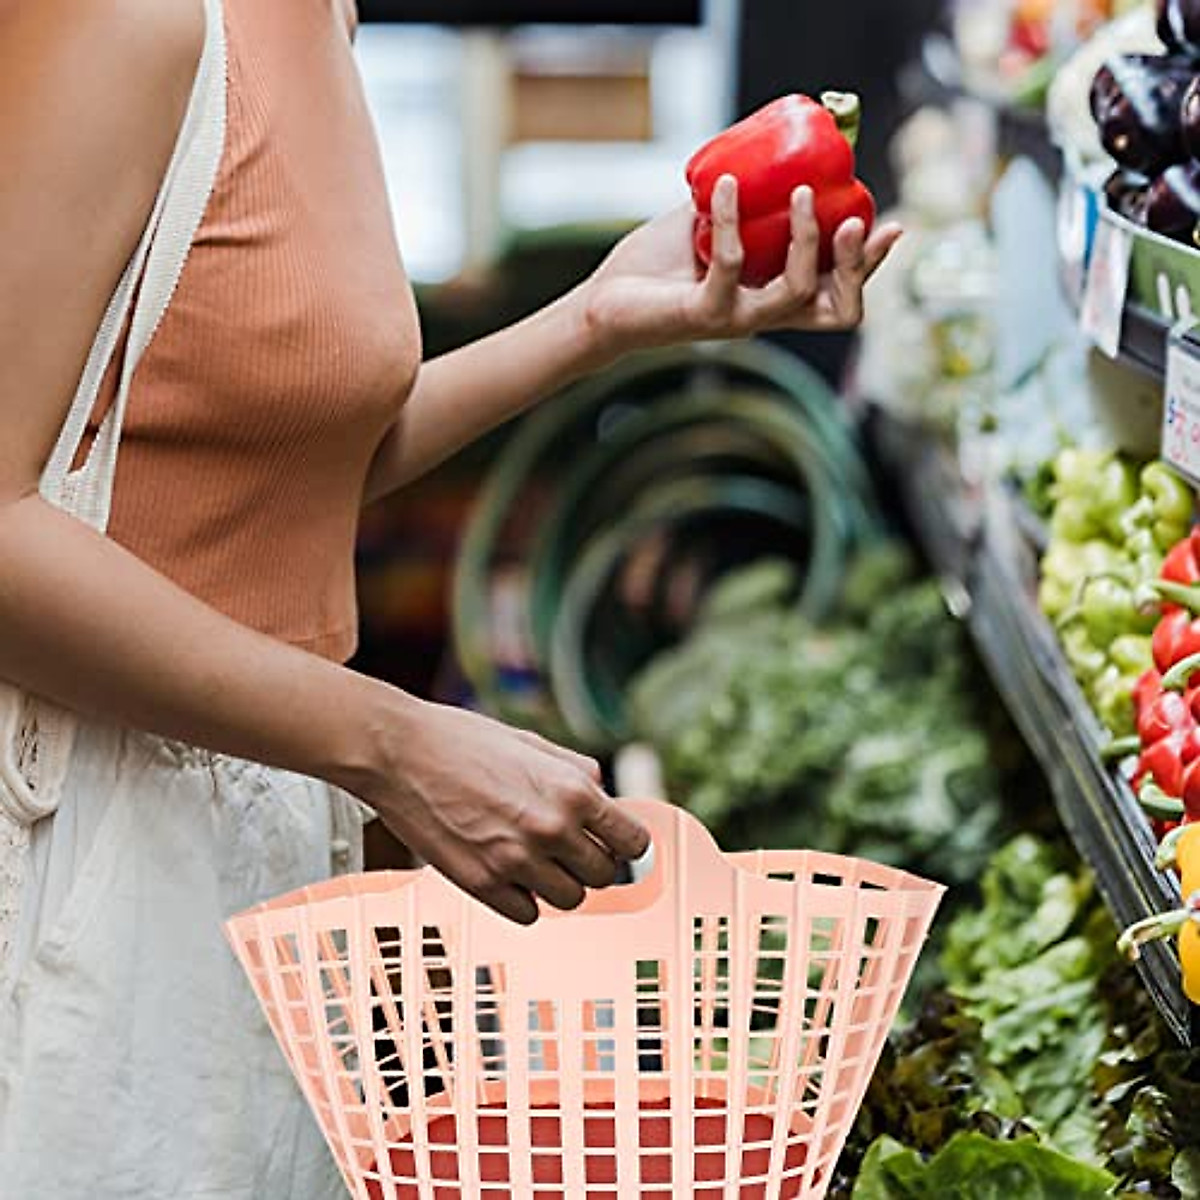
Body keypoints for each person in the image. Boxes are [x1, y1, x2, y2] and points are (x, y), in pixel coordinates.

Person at [0, 0, 901, 1197]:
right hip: (71, 846)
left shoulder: (313, 18)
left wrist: (596, 321)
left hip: (239, 814)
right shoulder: (126, 14)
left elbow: (285, 463)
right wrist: (393, 746)